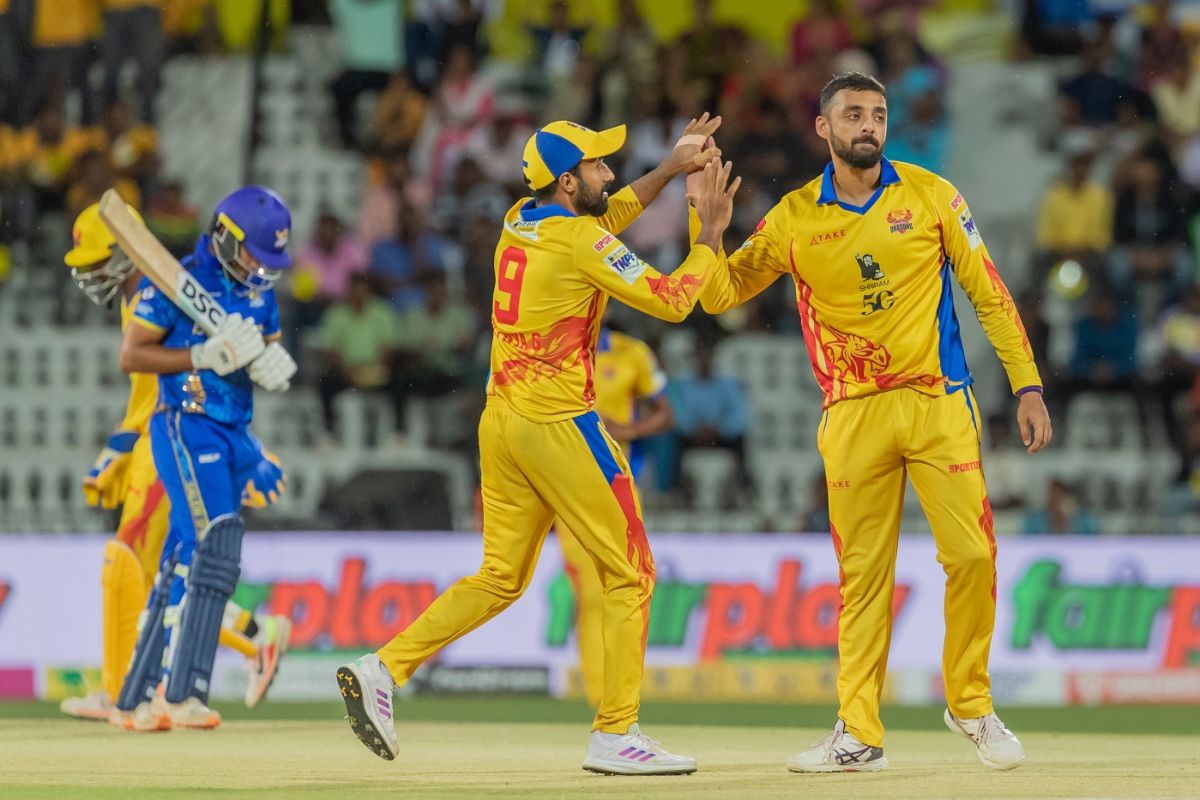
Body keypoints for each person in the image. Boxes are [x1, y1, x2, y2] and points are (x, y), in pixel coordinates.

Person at [336, 113, 737, 774]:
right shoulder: (577, 239)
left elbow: (599, 225)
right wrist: (710, 237)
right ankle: (616, 732)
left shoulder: (521, 219)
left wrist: (669, 170)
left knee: (500, 576)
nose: (609, 173)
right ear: (568, 180)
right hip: (560, 424)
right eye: (598, 165)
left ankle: (382, 667)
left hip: (502, 422)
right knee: (631, 571)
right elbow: (670, 302)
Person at [697, 72, 1052, 772]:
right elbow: (720, 297)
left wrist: (1028, 384)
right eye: (853, 114)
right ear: (823, 128)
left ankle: (970, 703)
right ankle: (858, 733)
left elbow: (989, 293)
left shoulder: (932, 195)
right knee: (863, 578)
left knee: (975, 557)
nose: (869, 125)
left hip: (937, 401)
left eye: (878, 114)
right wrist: (707, 235)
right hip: (852, 412)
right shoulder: (795, 217)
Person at [58, 202, 291, 725]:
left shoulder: (156, 293)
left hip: (170, 440)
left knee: (150, 564)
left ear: (126, 252)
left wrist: (244, 447)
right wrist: (120, 444)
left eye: (98, 262)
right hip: (158, 435)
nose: (91, 274)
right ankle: (242, 640)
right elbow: (149, 386)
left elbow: (190, 384)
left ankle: (133, 690)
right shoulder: (148, 295)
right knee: (164, 567)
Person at [557, 318, 674, 707]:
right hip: (564, 482)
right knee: (591, 593)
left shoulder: (632, 353)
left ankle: (621, 698)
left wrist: (624, 432)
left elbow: (665, 413)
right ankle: (604, 701)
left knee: (630, 585)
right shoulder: (556, 345)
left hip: (617, 483)